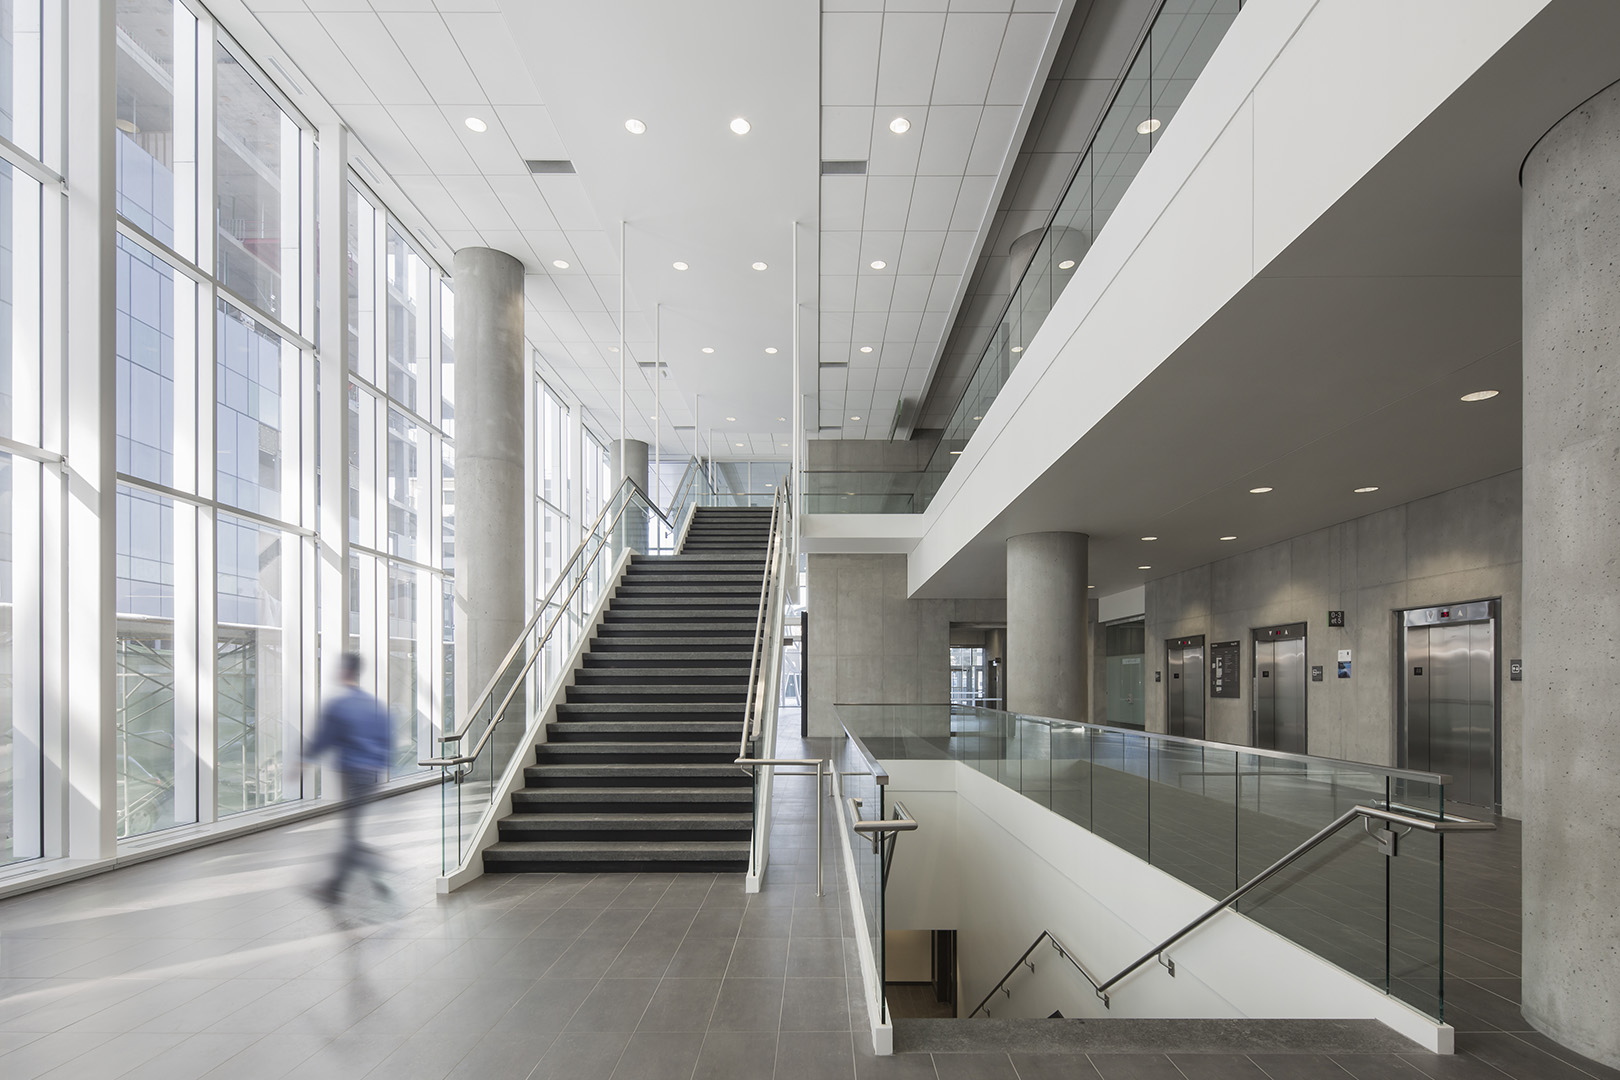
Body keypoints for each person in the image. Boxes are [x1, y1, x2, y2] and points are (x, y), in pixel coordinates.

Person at [305, 652, 393, 904]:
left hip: (353, 773)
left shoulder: (340, 706)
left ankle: (340, 886)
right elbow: (386, 739)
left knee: (351, 833)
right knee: (352, 830)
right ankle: (364, 877)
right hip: (373, 773)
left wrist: (305, 759)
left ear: (344, 672)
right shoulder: (374, 705)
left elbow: (324, 738)